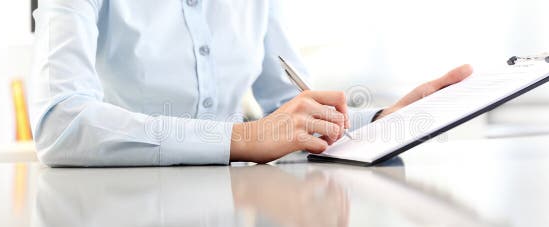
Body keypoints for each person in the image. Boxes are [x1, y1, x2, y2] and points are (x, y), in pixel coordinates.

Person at [29, 0, 472, 167]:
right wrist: (243, 137)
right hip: (121, 202)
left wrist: (381, 120)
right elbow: (59, 121)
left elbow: (289, 108)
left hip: (234, 204)